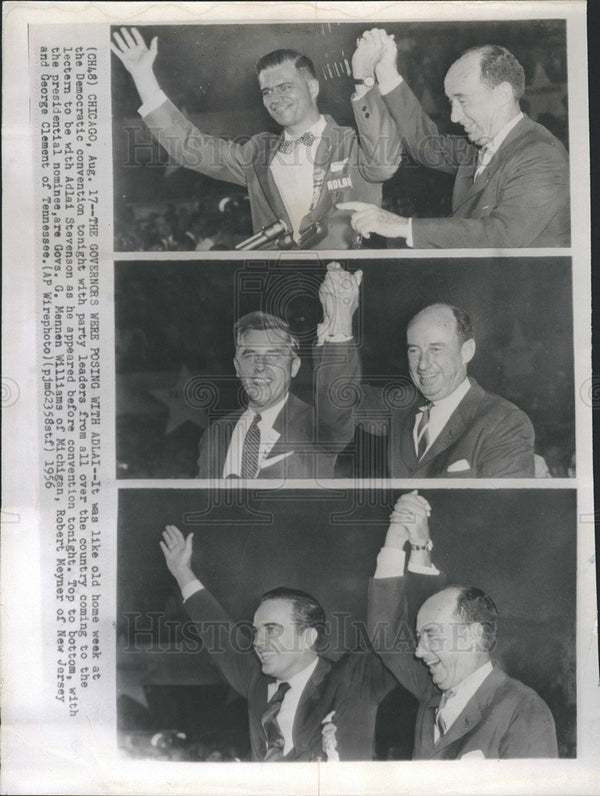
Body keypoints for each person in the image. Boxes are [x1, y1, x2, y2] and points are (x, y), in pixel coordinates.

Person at [111, 28, 402, 250]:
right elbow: (190, 148)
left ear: (312, 87)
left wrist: (364, 79)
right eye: (267, 91)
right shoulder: (258, 153)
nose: (275, 98)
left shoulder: (353, 142)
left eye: (285, 86)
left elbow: (385, 164)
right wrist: (142, 76)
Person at [159, 524, 398, 761]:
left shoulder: (351, 683)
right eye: (256, 631)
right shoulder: (258, 683)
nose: (257, 641)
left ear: (308, 637)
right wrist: (182, 572)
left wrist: (400, 546)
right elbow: (219, 633)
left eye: (271, 629)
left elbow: (393, 632)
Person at [367, 491, 558, 759]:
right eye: (419, 637)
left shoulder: (523, 710)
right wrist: (399, 539)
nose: (418, 651)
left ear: (471, 636)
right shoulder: (432, 691)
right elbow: (385, 634)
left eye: (431, 635)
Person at [339, 29, 570, 248]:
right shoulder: (482, 146)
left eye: (463, 101)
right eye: (451, 102)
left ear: (502, 94)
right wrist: (384, 72)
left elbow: (501, 236)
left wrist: (403, 226)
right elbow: (423, 143)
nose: (454, 116)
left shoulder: (541, 155)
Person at [314, 263, 535, 477]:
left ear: (467, 351)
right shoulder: (401, 404)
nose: (422, 364)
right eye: (414, 351)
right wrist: (339, 325)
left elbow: (503, 511)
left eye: (436, 349)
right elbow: (336, 405)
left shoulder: (504, 422)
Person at [196, 311, 336, 479]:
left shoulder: (317, 426)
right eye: (250, 355)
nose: (260, 366)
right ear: (237, 367)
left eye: (273, 356)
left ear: (294, 367)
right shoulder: (215, 434)